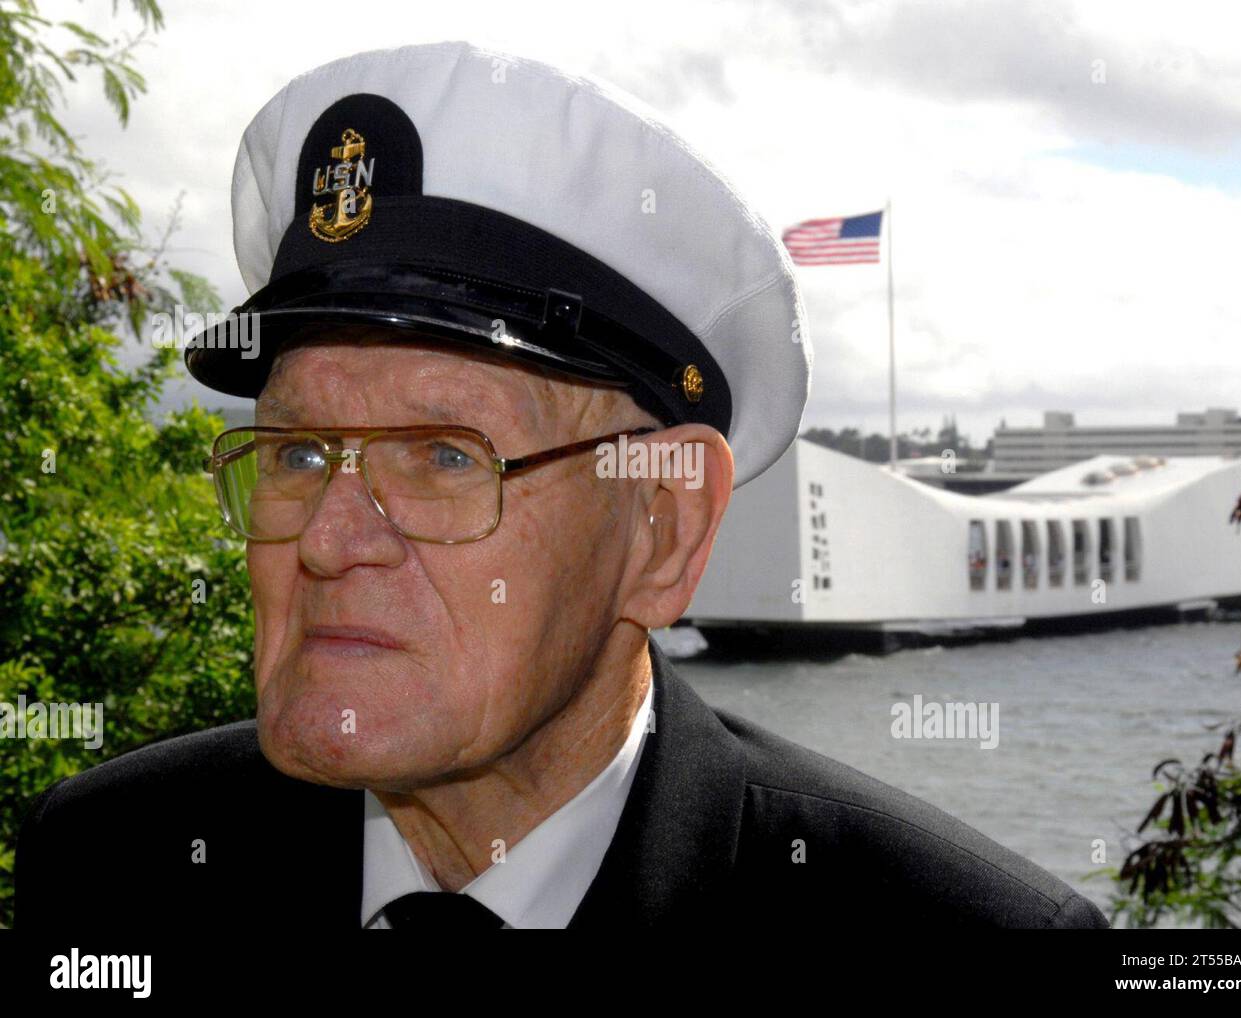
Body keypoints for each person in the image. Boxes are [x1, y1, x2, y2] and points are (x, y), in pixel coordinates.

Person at [15, 41, 1108, 929]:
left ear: (663, 530)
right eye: (299, 453)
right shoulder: (116, 863)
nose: (330, 537)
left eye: (444, 457)